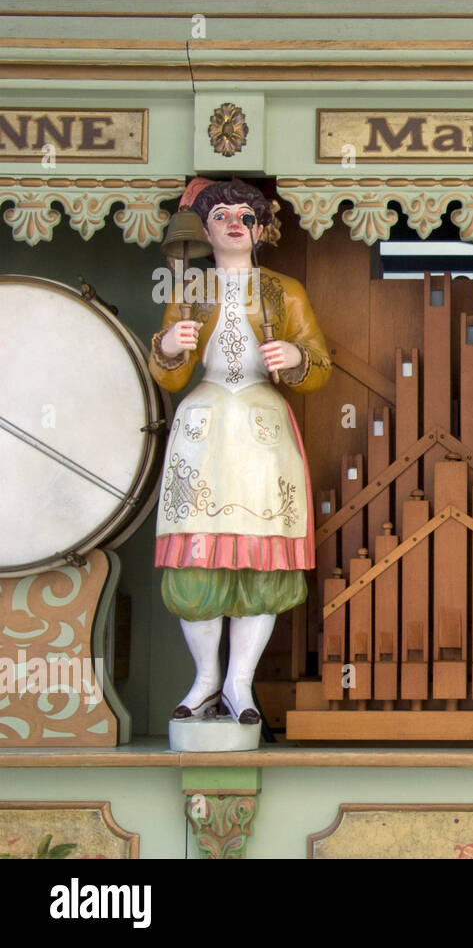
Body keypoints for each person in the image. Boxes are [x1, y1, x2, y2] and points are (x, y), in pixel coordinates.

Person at [149, 178, 330, 726]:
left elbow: (319, 364)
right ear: (204, 228)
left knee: (260, 556)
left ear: (261, 228)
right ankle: (205, 678)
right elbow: (171, 375)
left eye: (245, 215)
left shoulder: (285, 290)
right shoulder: (187, 288)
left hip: (260, 428)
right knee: (197, 556)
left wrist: (295, 355)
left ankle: (239, 683)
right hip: (203, 428)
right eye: (222, 214)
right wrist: (168, 348)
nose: (234, 223)